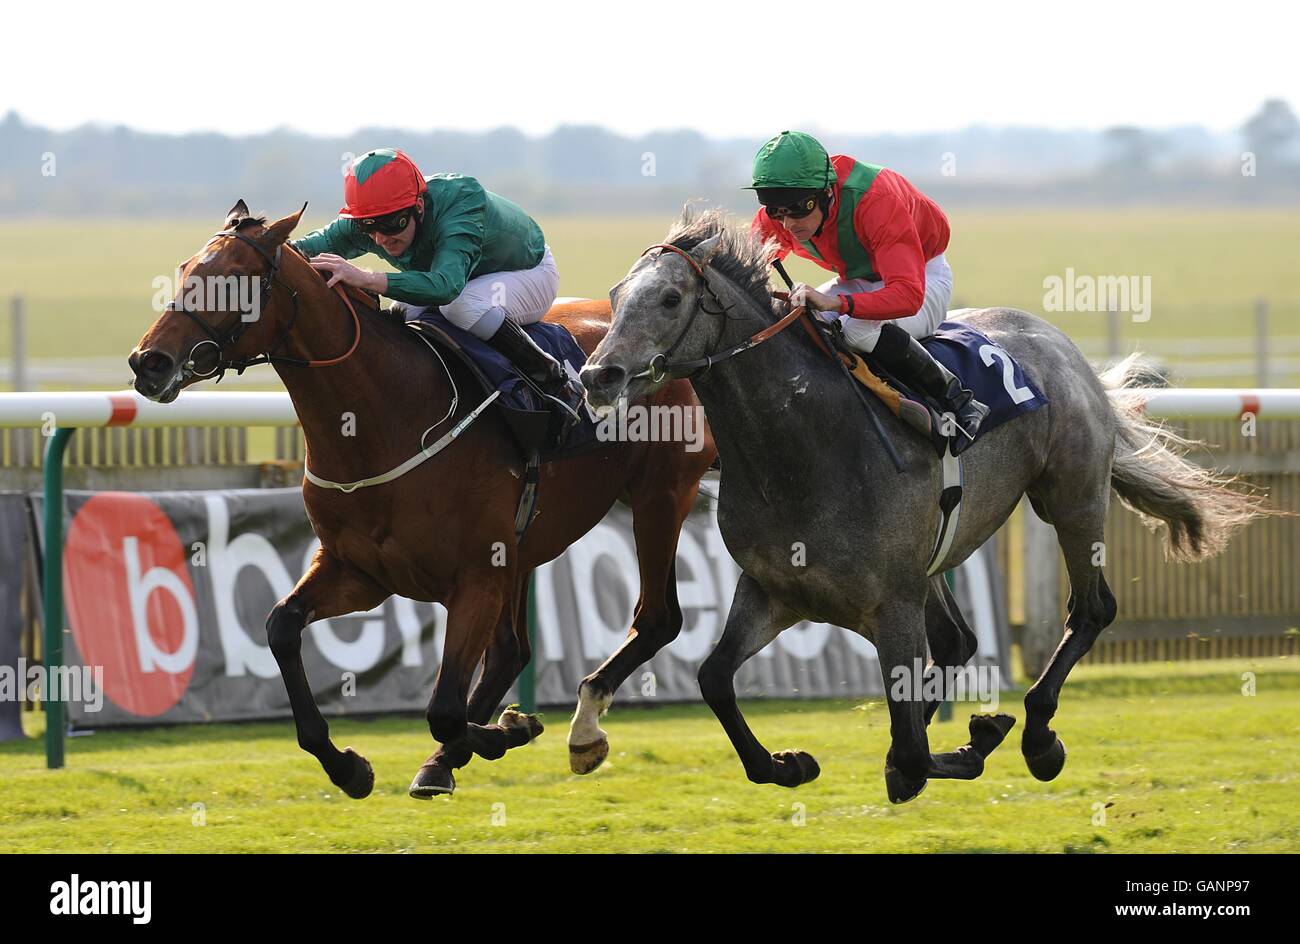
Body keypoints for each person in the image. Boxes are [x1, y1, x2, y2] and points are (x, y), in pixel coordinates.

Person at [291, 147, 582, 419]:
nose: (380, 238)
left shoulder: (460, 200)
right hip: (458, 280)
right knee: (401, 316)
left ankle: (551, 377)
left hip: (528, 273)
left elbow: (445, 287)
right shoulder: (373, 216)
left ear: (418, 207)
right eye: (368, 226)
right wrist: (254, 245)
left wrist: (365, 278)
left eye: (392, 224)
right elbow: (298, 250)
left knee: (460, 307)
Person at [748, 130, 987, 452]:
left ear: (826, 193)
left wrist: (836, 301)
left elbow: (906, 296)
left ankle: (957, 398)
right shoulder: (781, 211)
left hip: (922, 277)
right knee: (796, 323)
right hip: (860, 278)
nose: (788, 224)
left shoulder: (877, 201)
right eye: (776, 211)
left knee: (857, 332)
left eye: (798, 209)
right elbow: (745, 268)